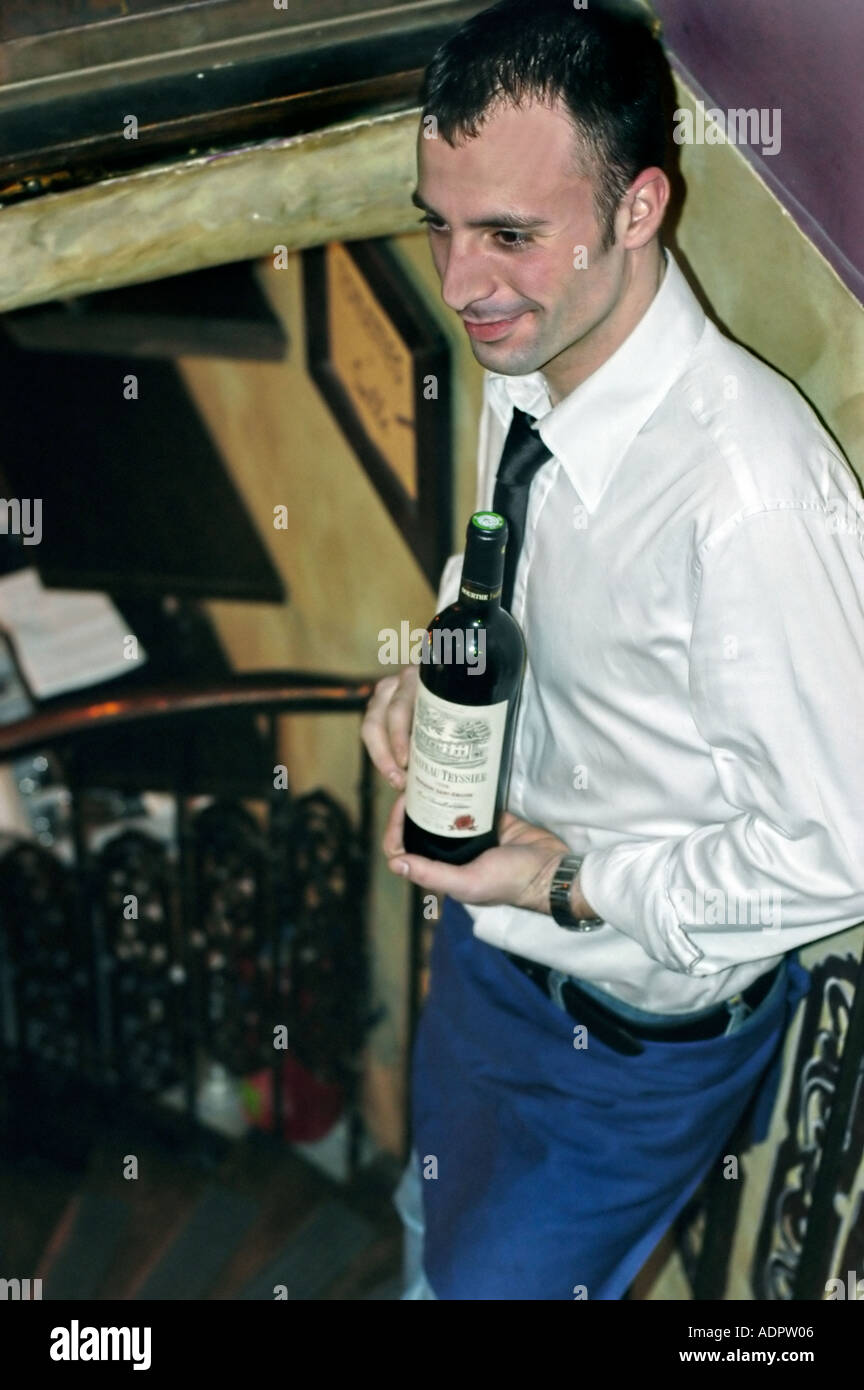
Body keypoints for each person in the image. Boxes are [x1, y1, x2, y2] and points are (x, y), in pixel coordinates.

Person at [360, 0, 864, 1300]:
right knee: (426, 1223)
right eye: (443, 223)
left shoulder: (749, 496)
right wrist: (421, 676)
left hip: (625, 1048)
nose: (460, 281)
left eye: (510, 235)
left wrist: (573, 883)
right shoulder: (529, 342)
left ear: (637, 210)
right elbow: (499, 565)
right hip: (483, 956)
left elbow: (842, 854)